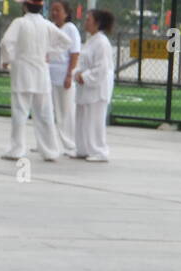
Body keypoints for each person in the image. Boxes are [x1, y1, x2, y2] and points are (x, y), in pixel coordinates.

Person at [0, 0, 73, 162]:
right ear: (41, 7)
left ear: (25, 6)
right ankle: (50, 151)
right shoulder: (46, 25)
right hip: (41, 74)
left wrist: (9, 59)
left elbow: (6, 42)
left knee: (20, 113)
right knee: (45, 115)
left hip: (22, 73)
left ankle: (17, 149)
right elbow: (66, 42)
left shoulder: (20, 22)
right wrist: (49, 52)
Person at [73, 9, 114, 162]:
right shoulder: (91, 40)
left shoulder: (102, 43)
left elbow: (102, 68)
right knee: (83, 119)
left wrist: (85, 77)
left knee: (94, 120)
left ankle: (99, 151)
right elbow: (83, 62)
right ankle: (83, 149)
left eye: (88, 20)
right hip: (85, 86)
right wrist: (77, 73)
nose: (85, 22)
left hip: (97, 88)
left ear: (97, 23)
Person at [47, 0, 81, 156]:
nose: (54, 13)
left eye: (58, 10)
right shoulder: (51, 28)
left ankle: (70, 144)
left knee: (66, 111)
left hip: (64, 75)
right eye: (53, 10)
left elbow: (74, 54)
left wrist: (69, 75)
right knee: (50, 110)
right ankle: (51, 143)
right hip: (49, 74)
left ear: (66, 13)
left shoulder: (71, 29)